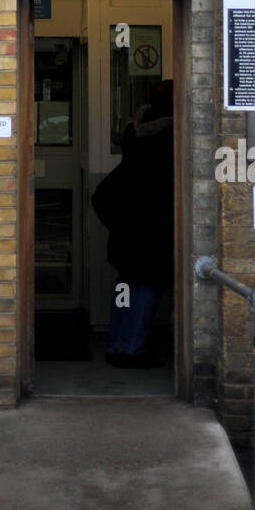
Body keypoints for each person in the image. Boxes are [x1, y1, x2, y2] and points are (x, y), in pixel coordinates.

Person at [91, 80, 174, 368]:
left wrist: (119, 225)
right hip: (151, 233)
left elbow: (102, 196)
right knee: (146, 289)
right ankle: (132, 349)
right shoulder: (166, 141)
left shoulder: (134, 140)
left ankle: (116, 344)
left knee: (125, 287)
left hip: (127, 235)